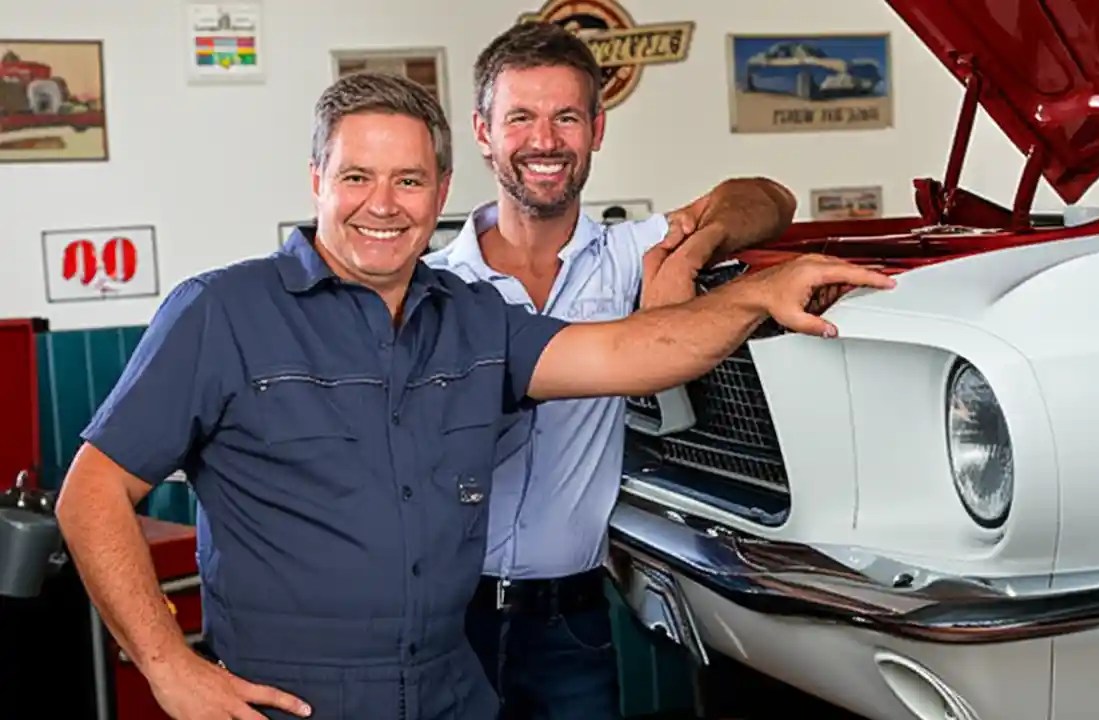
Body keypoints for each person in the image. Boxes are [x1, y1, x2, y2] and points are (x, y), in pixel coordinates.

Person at [53, 71, 893, 720]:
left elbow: (633, 354)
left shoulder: (473, 317)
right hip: (287, 697)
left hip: (454, 685)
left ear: (444, 185)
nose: (383, 205)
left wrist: (753, 296)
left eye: (409, 181)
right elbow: (91, 493)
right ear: (316, 178)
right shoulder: (220, 311)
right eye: (356, 177)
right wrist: (168, 667)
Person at [424, 21, 797, 719]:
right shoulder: (431, 285)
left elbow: (770, 196)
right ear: (482, 131)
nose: (544, 140)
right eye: (521, 118)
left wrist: (690, 254)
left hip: (574, 622)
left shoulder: (630, 254)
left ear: (597, 129)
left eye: (566, 116)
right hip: (445, 622)